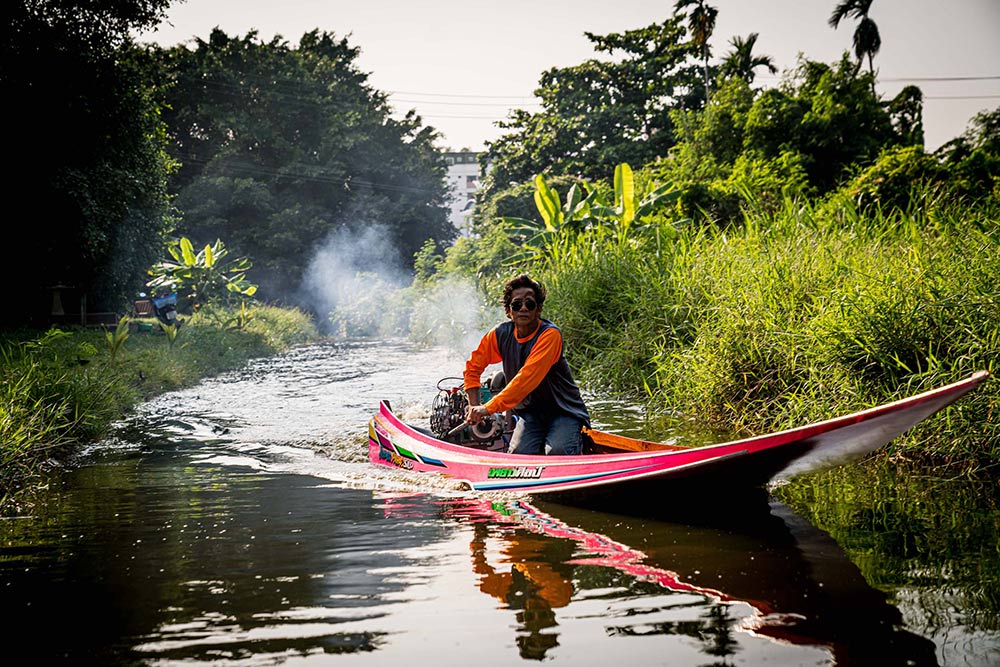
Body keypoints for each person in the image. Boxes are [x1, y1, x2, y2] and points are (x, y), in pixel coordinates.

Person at [463, 274, 590, 455]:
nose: (523, 308)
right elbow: (472, 369)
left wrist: (487, 408)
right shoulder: (499, 335)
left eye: (529, 304)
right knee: (517, 455)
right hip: (530, 414)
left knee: (557, 452)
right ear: (509, 311)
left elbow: (525, 381)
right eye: (517, 304)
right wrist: (473, 407)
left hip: (563, 411)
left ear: (538, 309)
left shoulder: (550, 335)